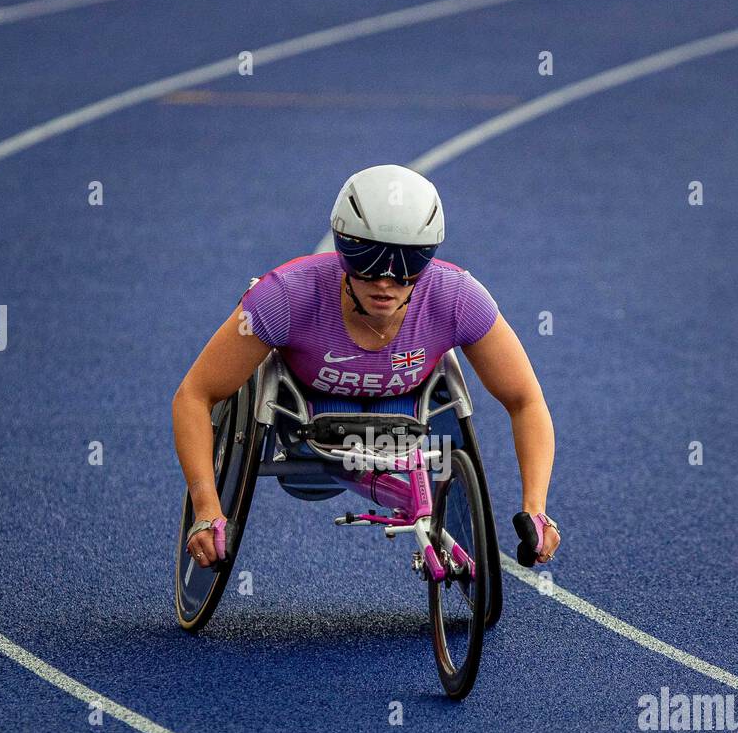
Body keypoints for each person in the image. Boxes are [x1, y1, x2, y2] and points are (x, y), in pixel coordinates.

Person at [172, 163, 560, 570]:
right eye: (368, 261)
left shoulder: (458, 298)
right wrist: (207, 509)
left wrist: (536, 507)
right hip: (306, 420)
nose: (385, 281)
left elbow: (525, 400)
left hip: (405, 411)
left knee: (450, 409)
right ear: (342, 250)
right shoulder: (285, 296)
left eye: (408, 264)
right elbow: (194, 396)